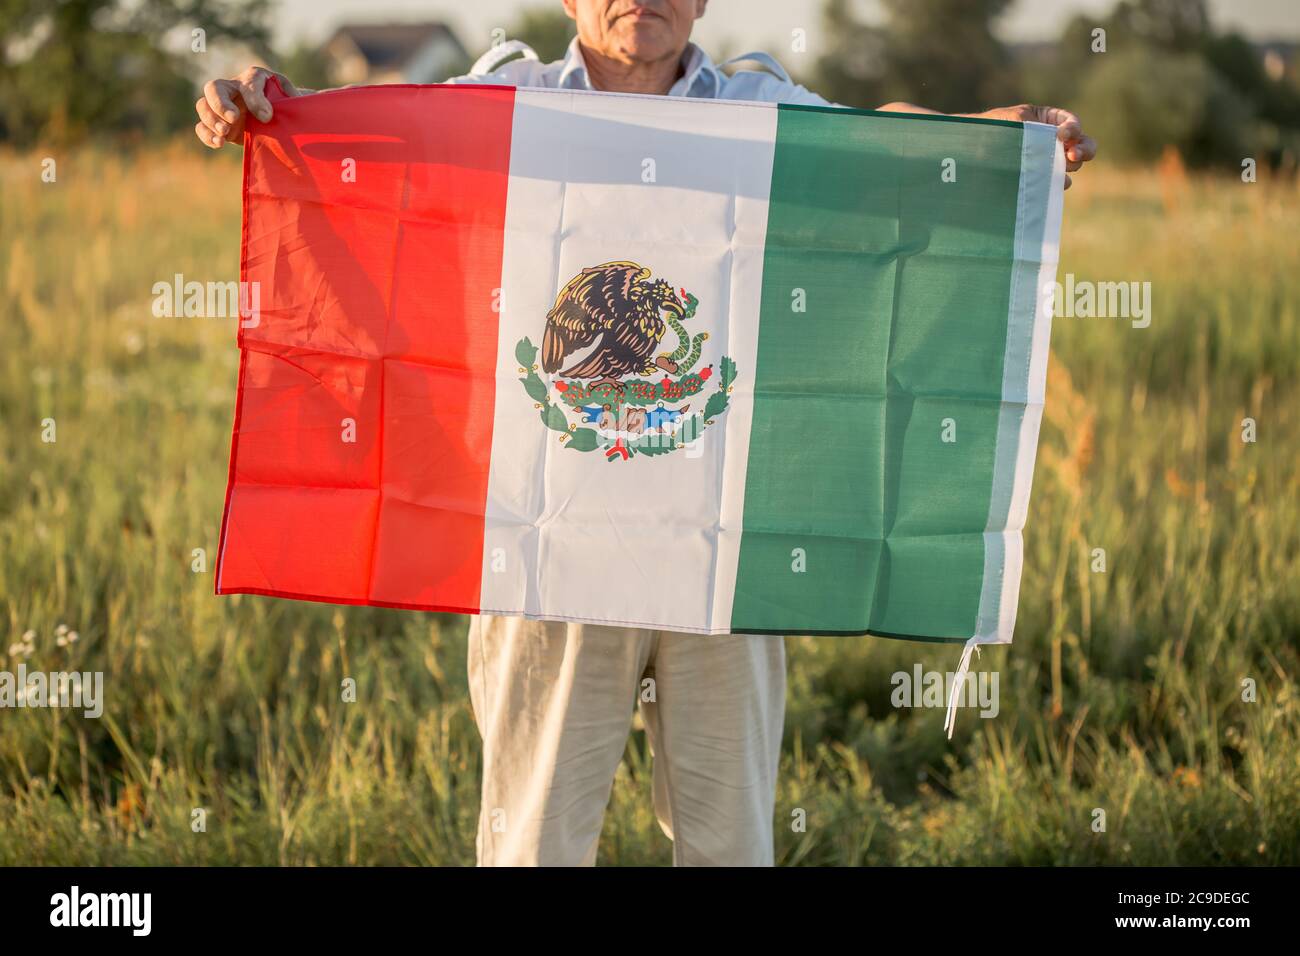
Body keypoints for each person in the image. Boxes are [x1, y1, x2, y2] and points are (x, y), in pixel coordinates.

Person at [194, 0, 1097, 867]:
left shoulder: (761, 109)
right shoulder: (506, 104)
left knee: (731, 841)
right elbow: (374, 141)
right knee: (534, 840)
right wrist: (270, 110)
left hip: (726, 546)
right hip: (545, 546)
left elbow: (887, 143)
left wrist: (995, 137)